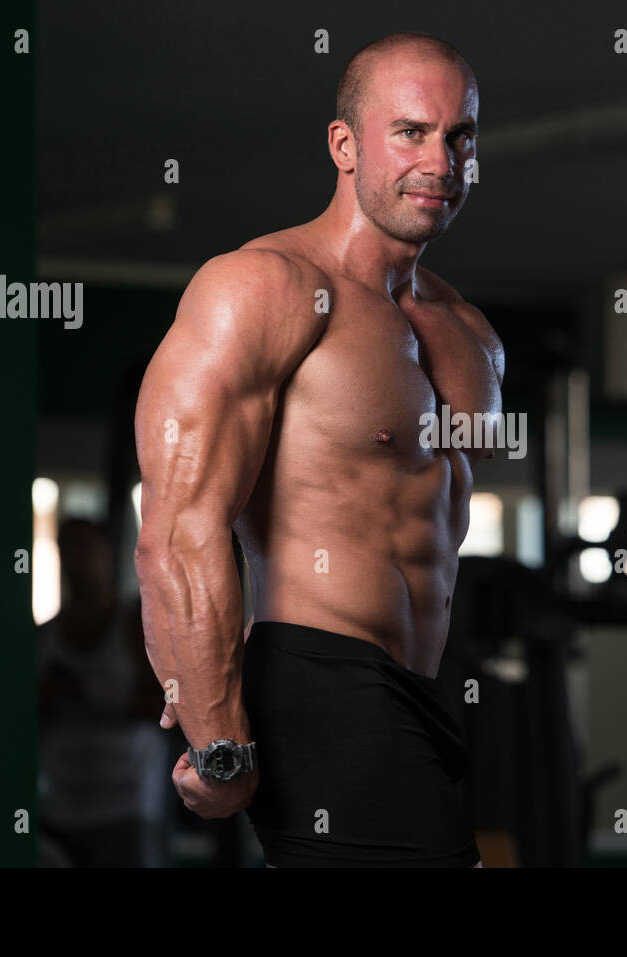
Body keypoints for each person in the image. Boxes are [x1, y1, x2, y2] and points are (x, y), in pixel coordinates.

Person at [133, 31, 502, 866]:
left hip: (419, 693)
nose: (440, 160)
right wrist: (222, 742)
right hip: (318, 680)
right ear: (345, 145)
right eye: (410, 131)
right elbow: (178, 528)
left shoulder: (468, 332)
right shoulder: (264, 288)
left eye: (461, 136)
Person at [39, 519, 172, 866]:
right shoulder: (44, 636)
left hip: (128, 807)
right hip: (60, 807)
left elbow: (171, 708)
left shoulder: (137, 630)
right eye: (67, 549)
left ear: (107, 554)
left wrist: (89, 693)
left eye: (85, 548)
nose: (75, 560)